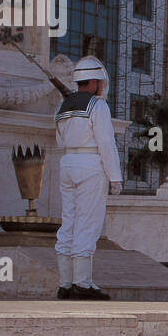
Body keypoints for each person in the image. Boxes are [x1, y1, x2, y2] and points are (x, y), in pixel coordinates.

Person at [55, 56, 122, 300]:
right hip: (91, 164)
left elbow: (60, 140)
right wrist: (115, 176)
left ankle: (65, 283)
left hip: (67, 163)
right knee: (88, 223)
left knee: (69, 223)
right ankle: (82, 284)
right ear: (93, 82)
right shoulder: (98, 106)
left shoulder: (62, 106)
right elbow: (106, 143)